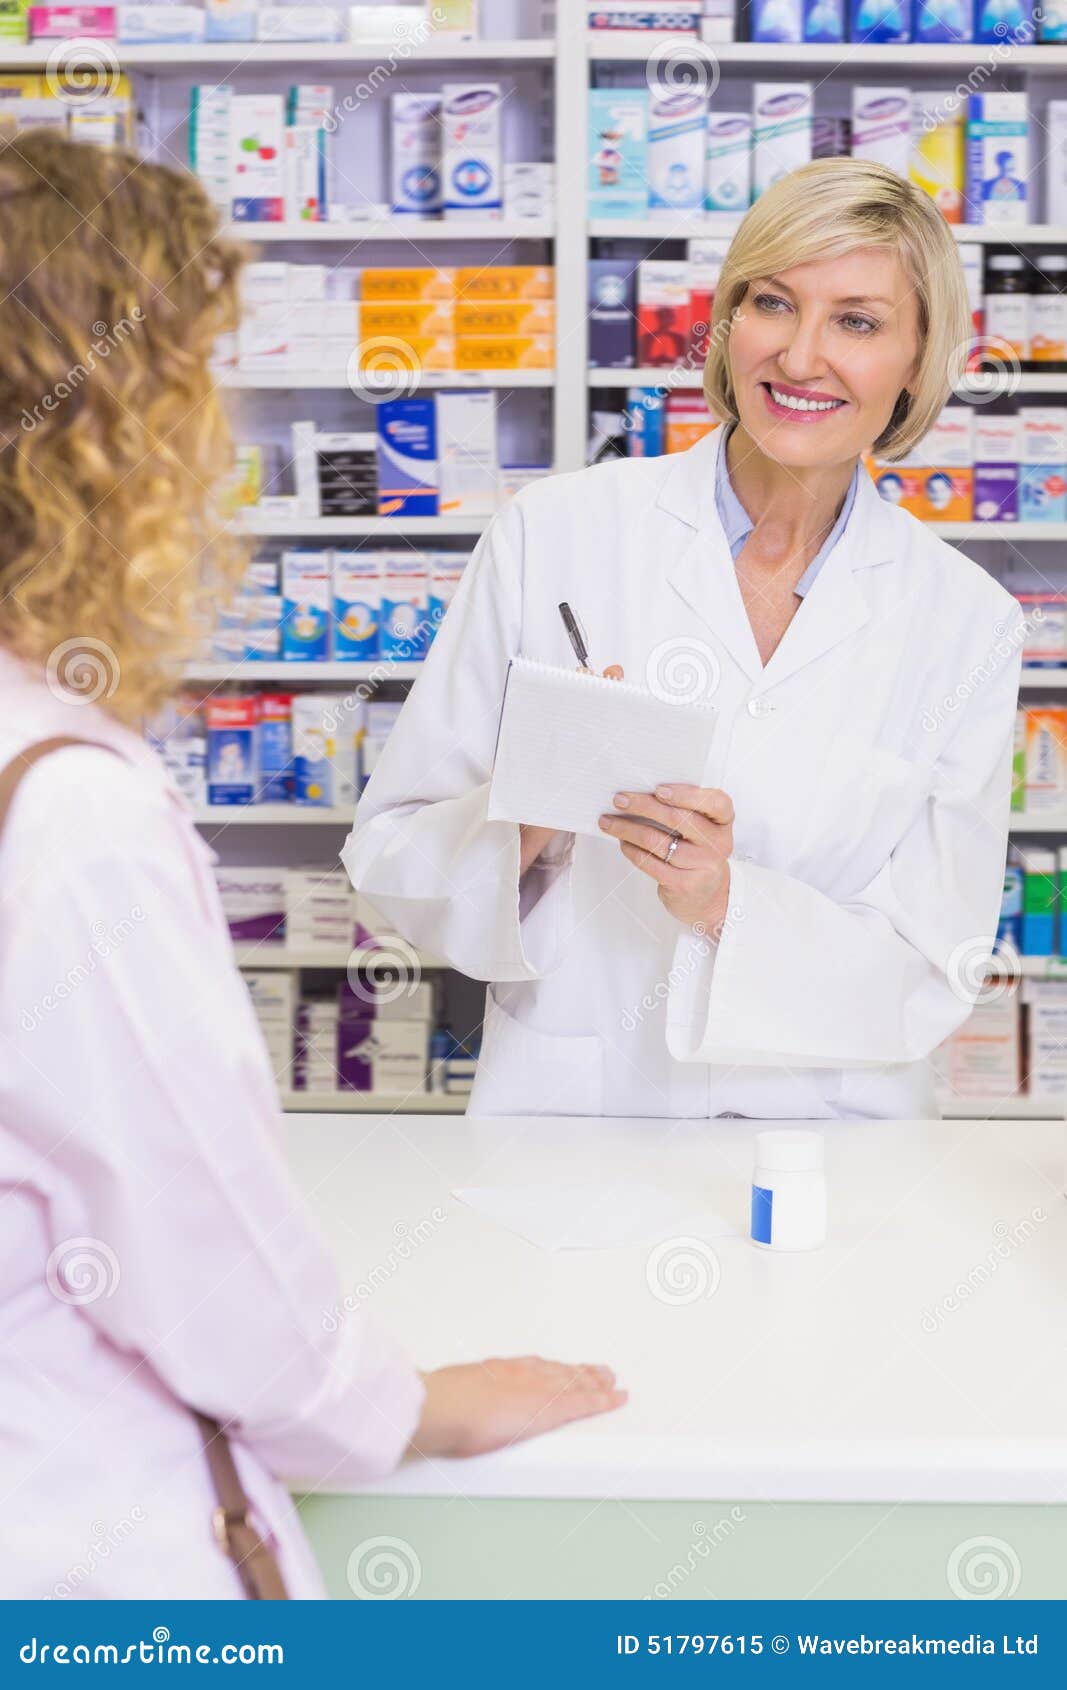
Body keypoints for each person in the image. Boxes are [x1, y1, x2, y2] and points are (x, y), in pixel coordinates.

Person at [0, 130, 625, 1601]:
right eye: (194, 380)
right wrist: (397, 1402)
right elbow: (193, 1242)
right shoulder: (68, 812)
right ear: (112, 430)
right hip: (78, 1550)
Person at [345, 156, 1024, 1121]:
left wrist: (722, 905)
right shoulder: (555, 532)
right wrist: (534, 815)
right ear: (725, 322)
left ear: (919, 362)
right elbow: (390, 855)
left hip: (833, 1147)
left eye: (858, 322)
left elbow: (939, 956)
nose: (797, 358)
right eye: (771, 302)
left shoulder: (967, 624)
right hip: (578, 1130)